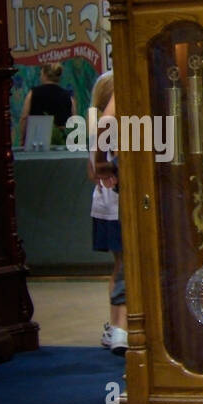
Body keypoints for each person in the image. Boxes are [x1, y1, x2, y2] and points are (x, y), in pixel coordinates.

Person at [87, 71, 126, 355]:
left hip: (109, 207)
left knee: (120, 266)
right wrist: (103, 164)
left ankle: (117, 326)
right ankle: (120, 327)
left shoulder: (102, 128)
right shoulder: (110, 125)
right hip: (115, 206)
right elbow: (95, 168)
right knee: (125, 266)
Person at [19, 63, 74, 145]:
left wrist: (22, 139)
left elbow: (24, 118)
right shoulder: (68, 97)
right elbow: (74, 121)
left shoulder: (33, 94)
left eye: (41, 74)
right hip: (62, 145)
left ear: (45, 75)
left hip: (37, 144)